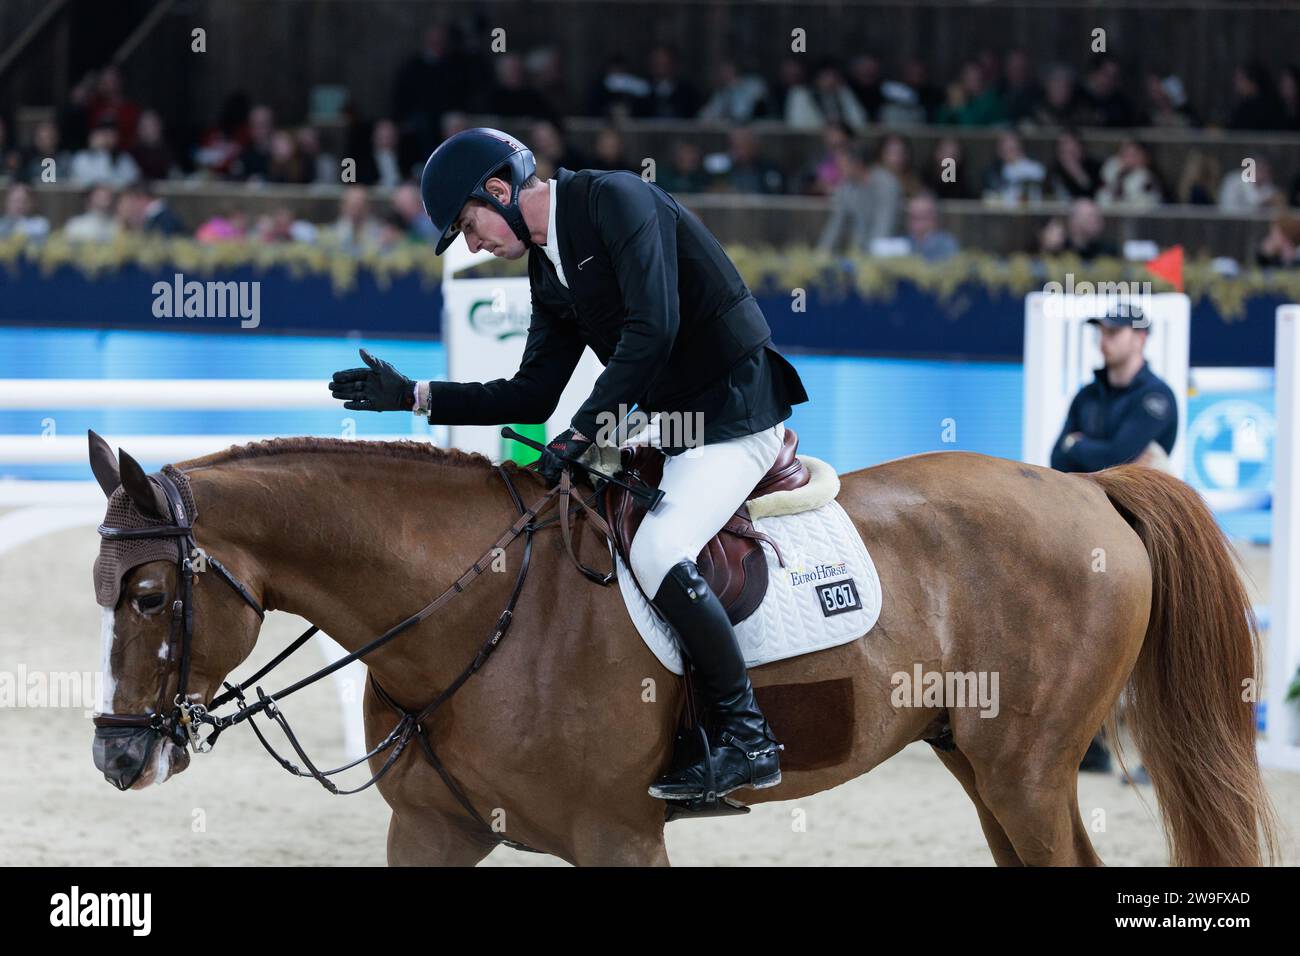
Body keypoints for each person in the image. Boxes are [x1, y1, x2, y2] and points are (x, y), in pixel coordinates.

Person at [328, 127, 810, 803]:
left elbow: (654, 329)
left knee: (659, 550)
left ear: (498, 191)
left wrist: (582, 433)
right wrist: (415, 395)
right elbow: (531, 392)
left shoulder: (617, 200)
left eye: (468, 225)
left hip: (735, 414)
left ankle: (747, 737)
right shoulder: (546, 266)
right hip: (669, 425)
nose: (472, 245)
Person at [1049, 310, 1178, 773]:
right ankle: (1094, 746)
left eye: (1113, 332)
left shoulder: (1156, 399)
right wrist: (1095, 453)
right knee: (1084, 636)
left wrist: (1082, 446)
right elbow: (1056, 456)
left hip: (1144, 533)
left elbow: (1109, 455)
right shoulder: (1088, 394)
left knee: (1155, 644)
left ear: (1140, 337)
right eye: (1100, 332)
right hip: (1089, 530)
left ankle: (1159, 754)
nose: (1103, 340)